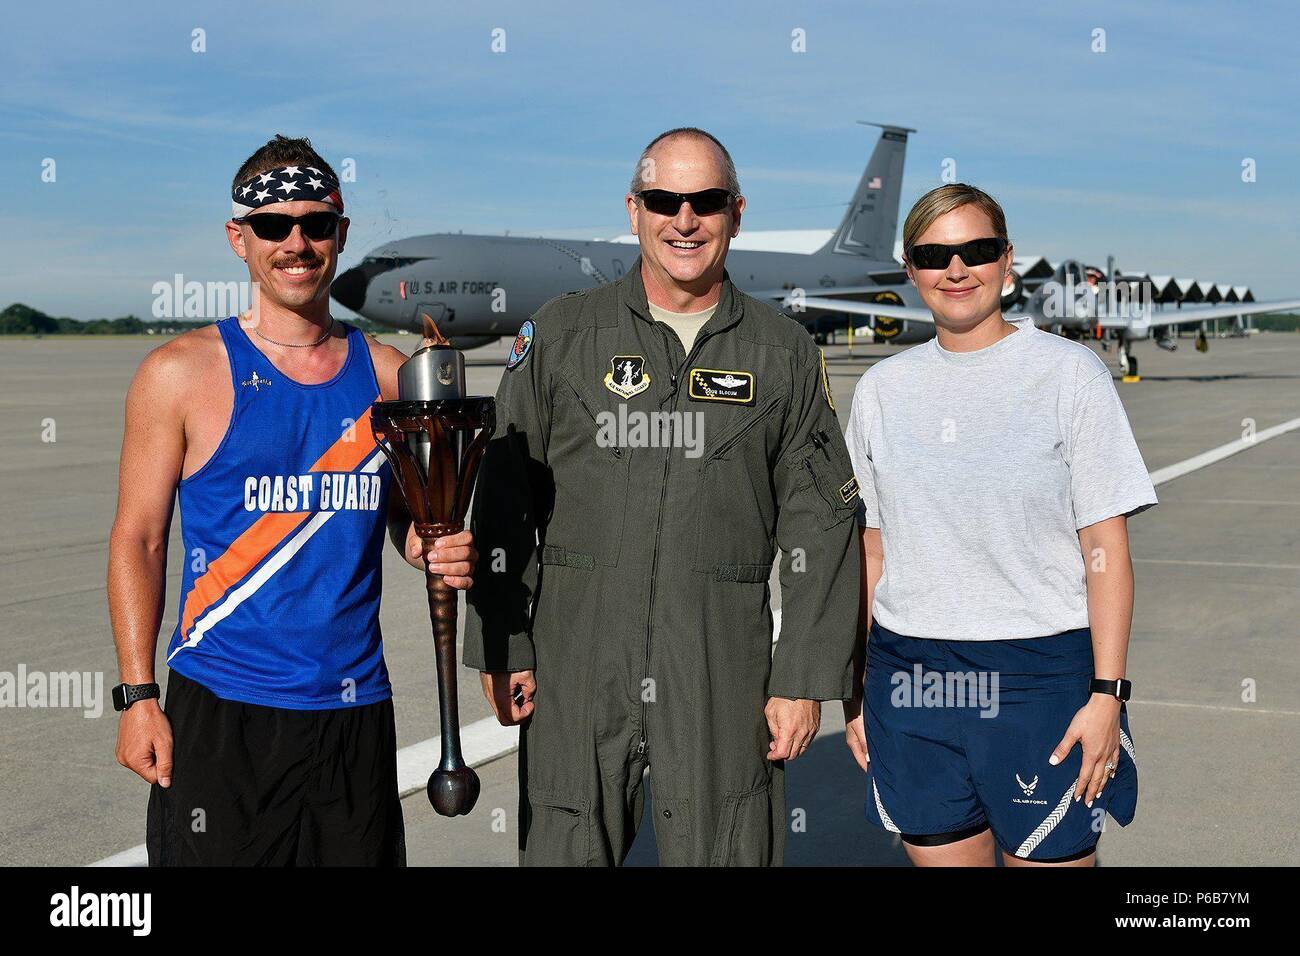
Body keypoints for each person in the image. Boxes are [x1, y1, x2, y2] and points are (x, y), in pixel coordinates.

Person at [465, 128, 861, 866]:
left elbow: (823, 517)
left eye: (706, 201)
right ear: (635, 210)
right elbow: (504, 500)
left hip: (721, 662)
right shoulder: (563, 334)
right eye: (663, 200)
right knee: (564, 846)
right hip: (578, 654)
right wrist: (502, 640)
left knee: (730, 847)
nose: (685, 219)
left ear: (735, 213)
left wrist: (802, 677)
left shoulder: (782, 353)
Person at [107, 134, 477, 866]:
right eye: (274, 226)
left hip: (353, 712)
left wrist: (433, 545)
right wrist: (137, 695)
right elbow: (138, 538)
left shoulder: (389, 374)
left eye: (316, 224)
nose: (296, 243)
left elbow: (409, 523)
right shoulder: (179, 372)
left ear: (340, 234)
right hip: (221, 713)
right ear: (238, 238)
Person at [842, 183, 1156, 866]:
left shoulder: (1069, 375)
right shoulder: (880, 392)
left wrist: (1108, 694)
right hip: (912, 675)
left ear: (1008, 261)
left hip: (1039, 675)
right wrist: (860, 688)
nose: (957, 270)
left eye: (977, 250)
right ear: (910, 268)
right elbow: (873, 551)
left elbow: (1105, 546)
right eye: (934, 254)